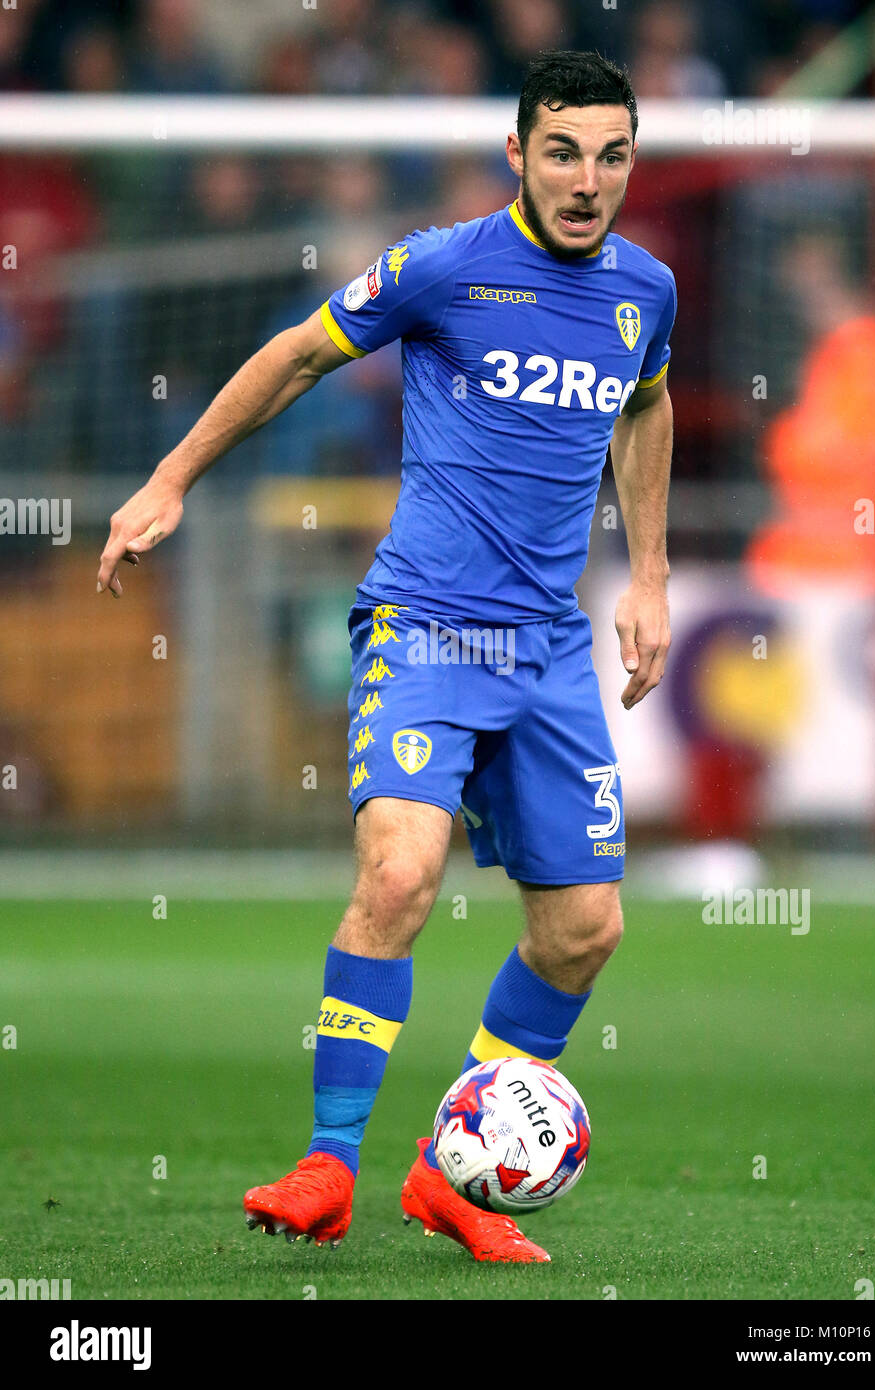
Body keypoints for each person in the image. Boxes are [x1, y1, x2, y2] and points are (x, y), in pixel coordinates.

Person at [97, 50, 676, 1264]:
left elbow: (646, 404)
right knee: (403, 870)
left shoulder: (647, 291)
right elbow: (298, 355)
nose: (588, 180)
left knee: (585, 928)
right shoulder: (442, 265)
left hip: (552, 649)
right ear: (516, 155)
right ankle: (329, 1163)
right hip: (424, 624)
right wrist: (169, 479)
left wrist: (653, 573)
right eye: (563, 151)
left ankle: (444, 1174)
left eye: (612, 155)